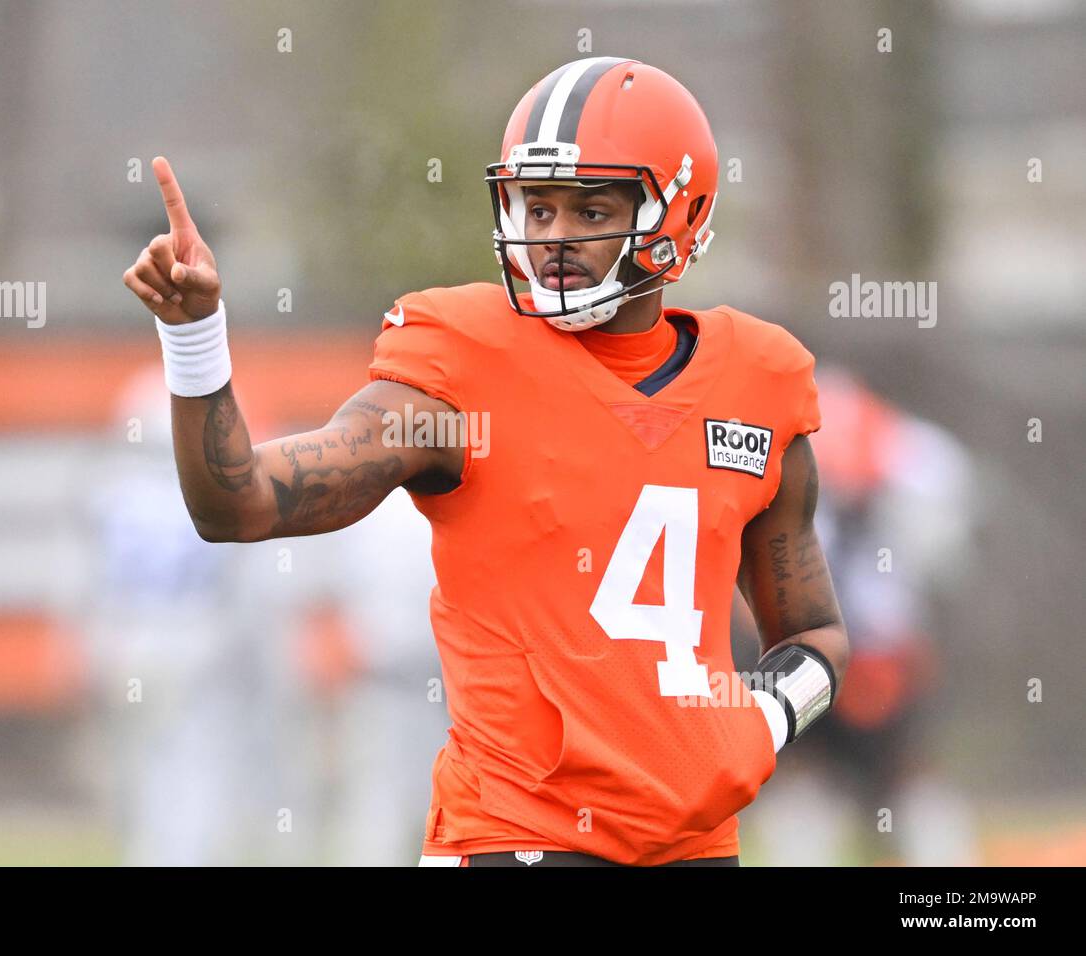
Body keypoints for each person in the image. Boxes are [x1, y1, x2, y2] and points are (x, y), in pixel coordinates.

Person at [122, 56, 850, 867]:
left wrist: (766, 717)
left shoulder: (758, 381)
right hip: (516, 840)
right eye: (537, 207)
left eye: (590, 208)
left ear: (677, 213)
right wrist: (194, 340)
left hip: (697, 849)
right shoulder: (462, 366)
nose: (554, 238)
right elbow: (241, 505)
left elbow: (814, 633)